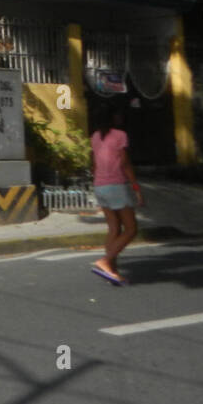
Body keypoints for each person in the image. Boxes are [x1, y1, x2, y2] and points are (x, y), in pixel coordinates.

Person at [90, 105, 143, 284]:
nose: (120, 117)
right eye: (118, 114)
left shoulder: (95, 136)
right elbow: (125, 164)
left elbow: (94, 163)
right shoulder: (120, 135)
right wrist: (136, 189)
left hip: (99, 185)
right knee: (131, 229)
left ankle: (111, 271)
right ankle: (105, 261)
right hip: (115, 185)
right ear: (112, 117)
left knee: (114, 228)